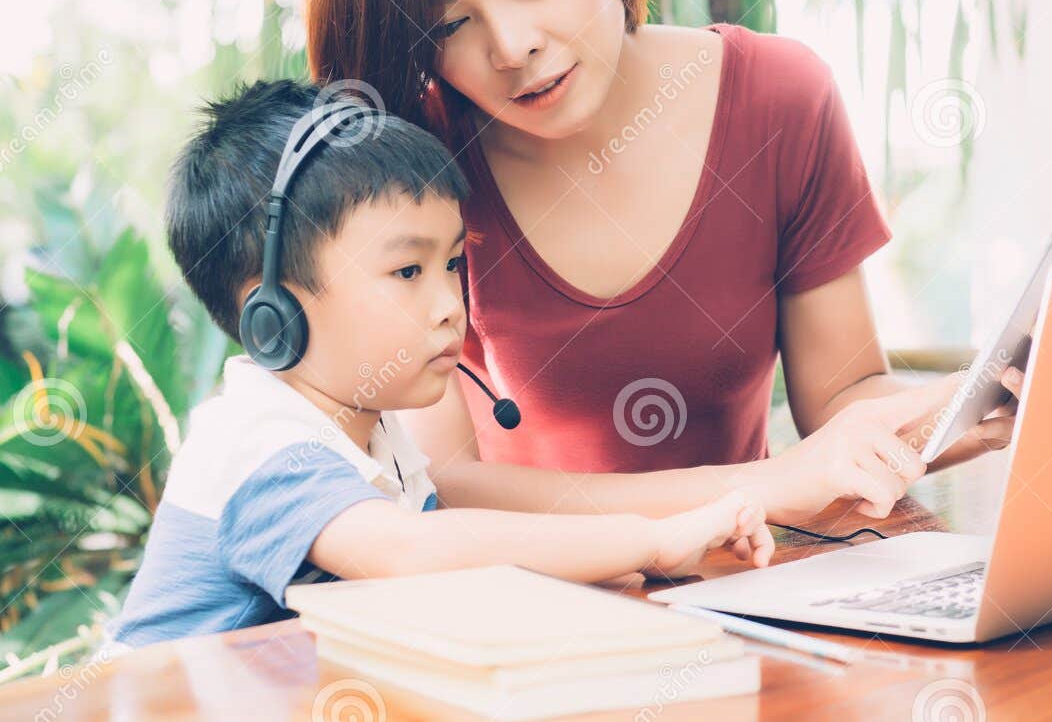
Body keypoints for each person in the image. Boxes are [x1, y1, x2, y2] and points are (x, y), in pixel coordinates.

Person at [298, 0, 1022, 527]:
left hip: (761, 581)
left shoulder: (780, 101)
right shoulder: (414, 161)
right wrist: (759, 490)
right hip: (533, 591)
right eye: (448, 24)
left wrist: (972, 399)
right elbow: (446, 485)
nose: (511, 46)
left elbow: (842, 404)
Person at [110, 81, 796, 646]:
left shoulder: (377, 440)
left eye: (453, 265)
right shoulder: (258, 442)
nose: (449, 306)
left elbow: (465, 574)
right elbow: (412, 553)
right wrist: (649, 541)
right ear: (273, 313)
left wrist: (624, 566)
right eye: (407, 271)